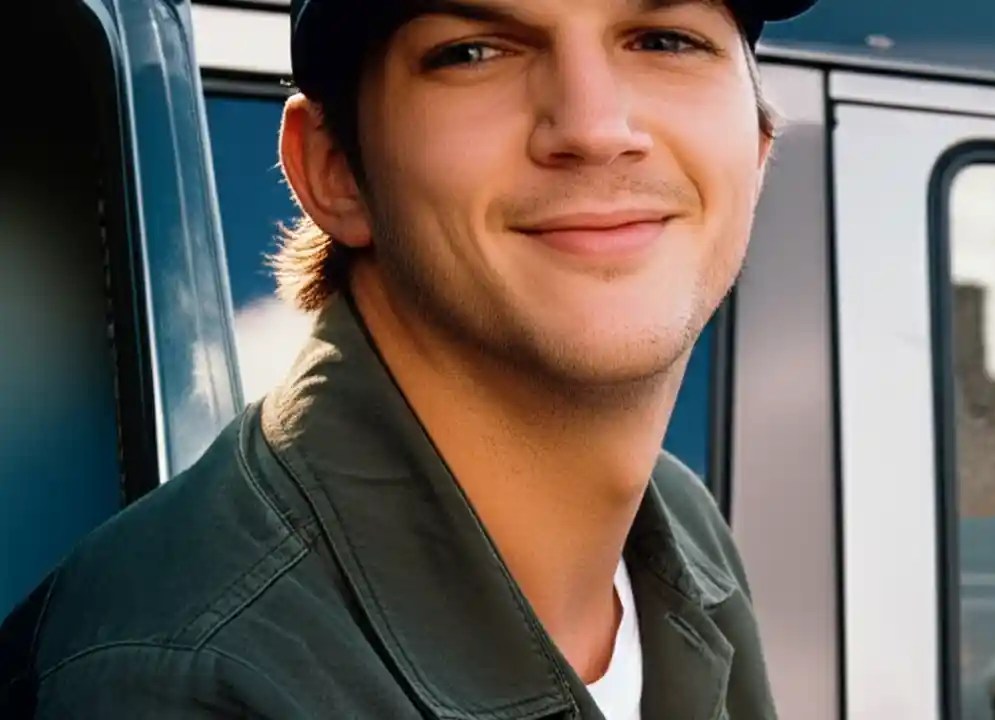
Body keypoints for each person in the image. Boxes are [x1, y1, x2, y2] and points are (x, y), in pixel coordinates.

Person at [0, 0, 818, 716]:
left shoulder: (675, 531)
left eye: (666, 39)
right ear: (332, 170)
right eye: (473, 51)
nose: (595, 128)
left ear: (757, 141)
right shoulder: (184, 678)